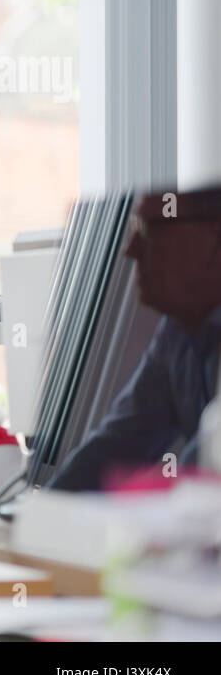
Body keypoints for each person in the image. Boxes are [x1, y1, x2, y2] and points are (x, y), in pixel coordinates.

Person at [49, 187, 221, 491]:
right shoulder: (179, 330)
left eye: (150, 230)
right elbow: (118, 443)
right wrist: (43, 511)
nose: (131, 250)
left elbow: (201, 479)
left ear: (214, 240)